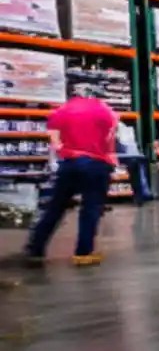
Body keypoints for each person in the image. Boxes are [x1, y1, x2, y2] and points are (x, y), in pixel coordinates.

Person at [26, 85, 118, 266]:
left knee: (56, 207)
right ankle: (83, 253)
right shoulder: (105, 110)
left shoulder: (61, 111)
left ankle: (36, 248)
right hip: (96, 163)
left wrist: (66, 152)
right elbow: (110, 139)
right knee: (90, 208)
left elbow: (54, 139)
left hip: (69, 164)